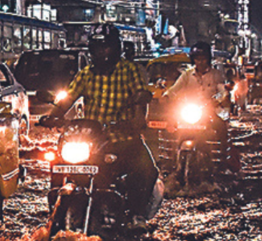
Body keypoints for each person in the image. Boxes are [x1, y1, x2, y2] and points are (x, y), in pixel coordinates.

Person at [43, 23, 158, 227]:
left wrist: (136, 122)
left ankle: (136, 215)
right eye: (98, 48)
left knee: (147, 171)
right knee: (58, 164)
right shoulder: (86, 74)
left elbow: (141, 98)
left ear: (116, 48)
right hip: (90, 141)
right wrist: (52, 116)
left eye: (106, 47)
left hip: (122, 138)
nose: (102, 52)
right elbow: (67, 98)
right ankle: (53, 211)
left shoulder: (130, 71)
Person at [163, 42, 239, 170]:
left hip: (208, 112)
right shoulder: (187, 75)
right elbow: (175, 88)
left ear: (208, 59)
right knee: (170, 129)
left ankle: (222, 158)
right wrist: (166, 96)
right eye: (197, 59)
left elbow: (222, 91)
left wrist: (217, 99)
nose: (200, 62)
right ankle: (169, 159)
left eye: (203, 59)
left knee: (221, 128)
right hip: (188, 112)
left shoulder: (216, 75)